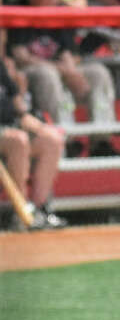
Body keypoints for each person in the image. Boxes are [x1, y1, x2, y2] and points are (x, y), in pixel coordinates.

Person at [6, 0, 117, 133]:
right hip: (30, 70)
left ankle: (101, 139)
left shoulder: (58, 8)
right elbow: (21, 56)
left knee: (97, 73)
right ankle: (63, 137)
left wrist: (71, 72)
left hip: (59, 67)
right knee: (47, 75)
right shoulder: (17, 9)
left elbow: (67, 51)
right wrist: (63, 70)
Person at [0, 55, 67, 230]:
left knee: (51, 139)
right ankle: (21, 213)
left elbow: (16, 103)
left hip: (10, 126)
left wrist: (27, 118)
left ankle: (39, 208)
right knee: (18, 140)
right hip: (7, 136)